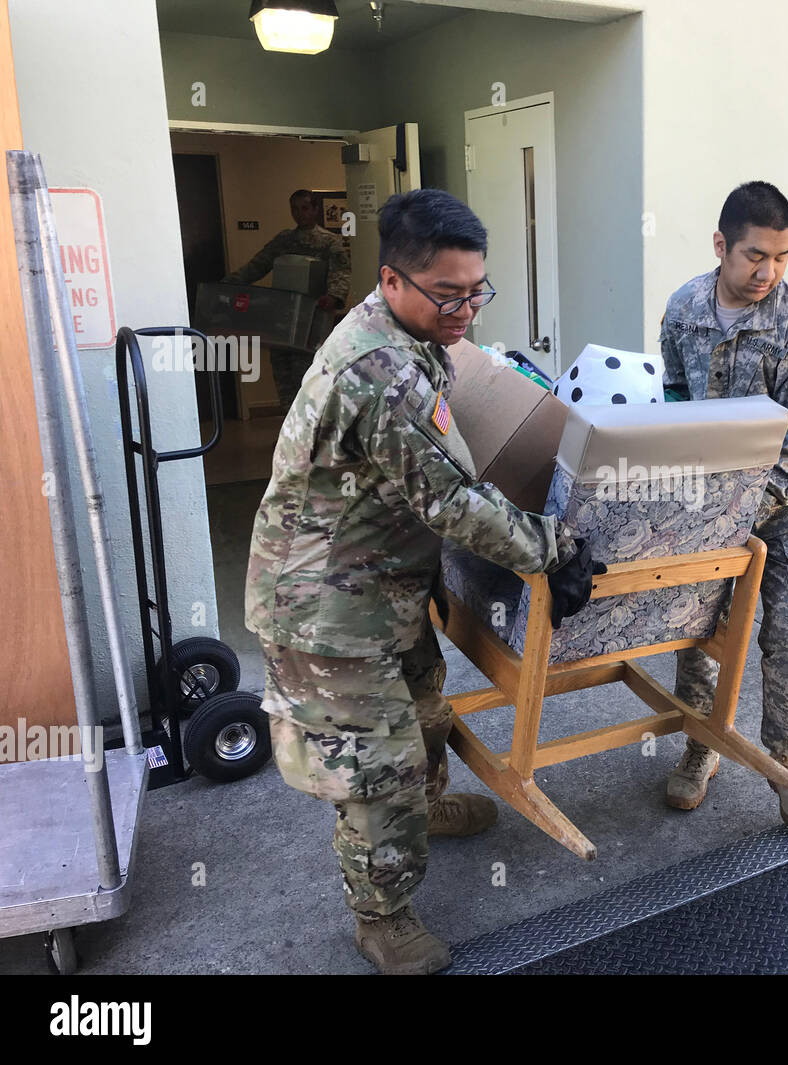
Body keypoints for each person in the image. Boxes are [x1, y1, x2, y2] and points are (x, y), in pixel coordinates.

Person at [245, 188, 600, 975]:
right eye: (448, 294)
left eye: (477, 290)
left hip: (384, 576)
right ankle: (384, 919)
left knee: (425, 702)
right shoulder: (378, 371)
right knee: (374, 764)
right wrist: (553, 546)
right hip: (325, 602)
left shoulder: (408, 334)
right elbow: (450, 501)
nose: (464, 309)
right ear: (392, 279)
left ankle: (426, 805)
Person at [658, 181, 788, 831]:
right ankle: (701, 742)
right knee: (698, 629)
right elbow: (673, 395)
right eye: (756, 255)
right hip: (707, 496)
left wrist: (748, 508)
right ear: (721, 245)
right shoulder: (684, 308)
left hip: (783, 501)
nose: (769, 271)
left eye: (783, 256)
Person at [223, 189, 352, 407]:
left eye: (304, 208)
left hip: (312, 319)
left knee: (312, 376)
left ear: (314, 210)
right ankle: (289, 431)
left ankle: (313, 434)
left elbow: (340, 273)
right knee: (284, 377)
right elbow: (257, 266)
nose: (299, 214)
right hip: (282, 320)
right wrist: (227, 284)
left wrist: (332, 297)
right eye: (294, 209)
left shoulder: (329, 242)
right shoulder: (284, 240)